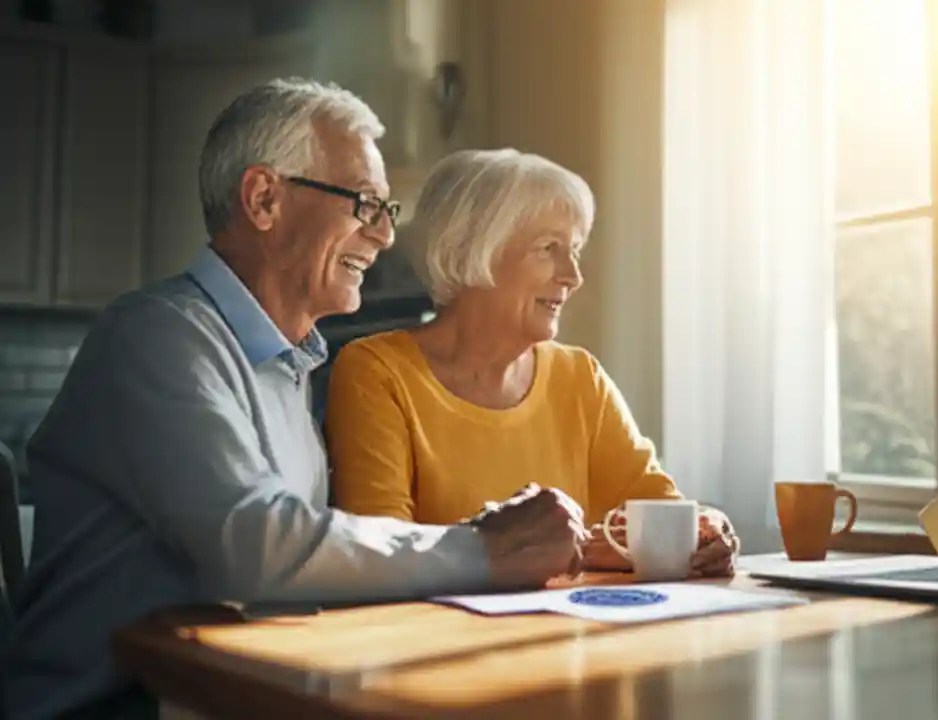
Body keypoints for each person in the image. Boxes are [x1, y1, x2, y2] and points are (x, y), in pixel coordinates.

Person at [1, 80, 585, 719]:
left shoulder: (290, 365)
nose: (384, 236)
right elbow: (255, 547)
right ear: (263, 199)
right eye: (364, 204)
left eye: (387, 210)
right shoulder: (157, 334)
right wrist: (483, 548)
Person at [323, 149, 738, 576]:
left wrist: (708, 531)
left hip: (572, 634)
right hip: (441, 638)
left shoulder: (579, 378)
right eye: (549, 248)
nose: (572, 276)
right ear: (471, 249)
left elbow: (662, 511)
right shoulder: (376, 372)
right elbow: (381, 551)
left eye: (574, 249)